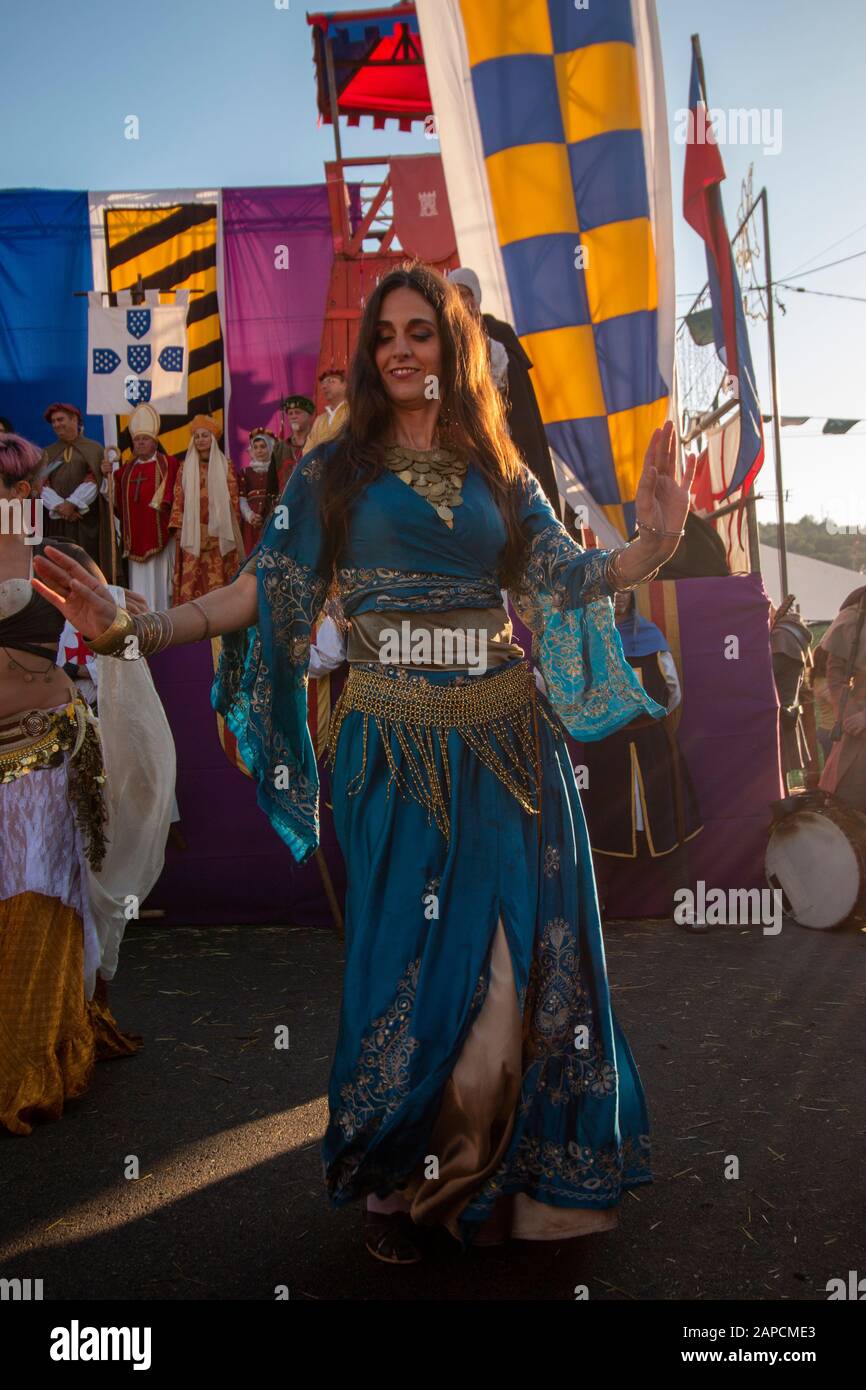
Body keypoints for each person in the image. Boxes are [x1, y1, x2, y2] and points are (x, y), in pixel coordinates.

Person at [33, 263, 694, 1261]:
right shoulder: (330, 472)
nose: (399, 346)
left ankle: (510, 1172)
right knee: (407, 958)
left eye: (420, 330)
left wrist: (650, 543)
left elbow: (568, 575)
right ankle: (402, 1176)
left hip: (511, 744)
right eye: (384, 331)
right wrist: (140, 625)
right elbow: (261, 587)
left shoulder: (501, 471)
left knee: (518, 955)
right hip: (392, 748)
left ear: (451, 346)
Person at [0, 434, 140, 1135]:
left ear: (28, 492)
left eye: (12, 485)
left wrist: (121, 620)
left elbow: (127, 633)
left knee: (39, 897)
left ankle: (33, 1051)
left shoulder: (56, 557)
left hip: (44, 755)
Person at [578, 589, 703, 925]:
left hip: (653, 747)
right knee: (606, 827)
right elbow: (574, 691)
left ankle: (686, 906)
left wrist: (649, 720)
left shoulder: (651, 636)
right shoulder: (590, 641)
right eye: (610, 593)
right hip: (607, 748)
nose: (618, 599)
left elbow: (672, 689)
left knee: (668, 821)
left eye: (624, 594)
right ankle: (597, 909)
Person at [449, 268, 561, 514]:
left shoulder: (499, 336)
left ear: (475, 298)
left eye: (464, 294)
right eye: (453, 295)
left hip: (507, 440)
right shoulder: (445, 343)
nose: (460, 301)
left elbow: (520, 404)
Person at [102, 404, 179, 611]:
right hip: (135, 537)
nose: (141, 443)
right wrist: (106, 475)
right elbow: (112, 500)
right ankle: (142, 619)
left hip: (162, 536)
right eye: (137, 440)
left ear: (155, 442)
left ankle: (164, 619)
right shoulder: (124, 472)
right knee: (139, 585)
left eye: (145, 439)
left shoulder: (168, 465)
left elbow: (177, 493)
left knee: (162, 583)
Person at [168, 414, 243, 603]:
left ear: (213, 439)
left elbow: (232, 499)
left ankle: (221, 625)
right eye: (197, 436)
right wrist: (178, 526)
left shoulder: (226, 466)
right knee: (191, 580)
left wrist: (232, 528)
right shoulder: (184, 468)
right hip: (192, 533)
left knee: (218, 581)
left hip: (219, 535)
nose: (201, 439)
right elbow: (179, 497)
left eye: (205, 435)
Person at [37, 402, 110, 569]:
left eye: (60, 419)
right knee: (58, 567)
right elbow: (41, 484)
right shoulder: (48, 452)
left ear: (74, 419)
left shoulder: (94, 449)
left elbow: (95, 479)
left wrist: (73, 504)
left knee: (87, 568)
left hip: (86, 523)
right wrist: (60, 507)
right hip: (57, 522)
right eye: (53, 421)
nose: (56, 424)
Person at [817, 586, 866, 810]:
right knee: (847, 801)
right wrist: (852, 714)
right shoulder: (856, 612)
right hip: (856, 725)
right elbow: (836, 674)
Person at [770, 596, 813, 788]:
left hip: (782, 713)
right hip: (787, 711)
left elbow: (767, 674)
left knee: (780, 770)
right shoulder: (789, 635)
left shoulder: (781, 637)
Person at [239, 428, 276, 552]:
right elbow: (242, 498)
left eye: (263, 446)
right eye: (255, 447)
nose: (259, 450)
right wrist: (250, 516)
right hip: (251, 523)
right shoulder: (245, 472)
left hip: (272, 518)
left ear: (270, 448)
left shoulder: (276, 471)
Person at [305, 369, 348, 452]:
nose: (324, 386)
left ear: (345, 385)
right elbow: (307, 451)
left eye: (331, 381)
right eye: (323, 383)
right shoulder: (319, 420)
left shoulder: (355, 414)